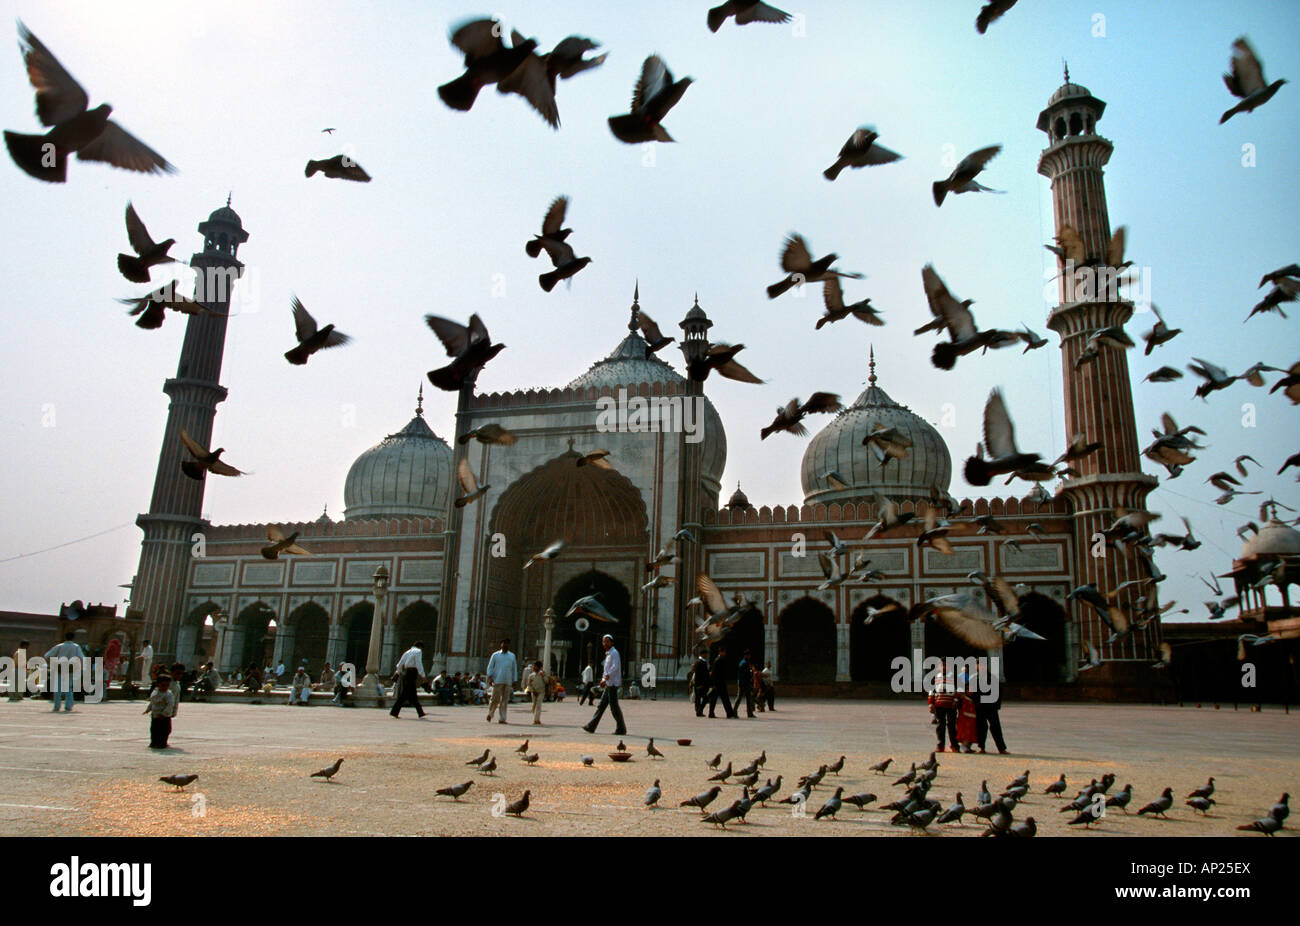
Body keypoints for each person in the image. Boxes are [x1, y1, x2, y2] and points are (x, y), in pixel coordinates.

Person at [582, 634, 626, 736]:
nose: (605, 643)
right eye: (603, 641)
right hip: (608, 683)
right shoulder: (608, 654)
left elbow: (615, 667)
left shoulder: (614, 653)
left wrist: (606, 678)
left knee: (614, 707)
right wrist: (603, 679)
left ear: (612, 642)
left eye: (607, 641)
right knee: (601, 706)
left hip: (613, 684)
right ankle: (591, 726)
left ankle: (621, 728)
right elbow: (606, 670)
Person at [45, 633, 82, 712]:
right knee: (68, 688)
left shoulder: (59, 646)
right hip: (70, 669)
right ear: (73, 638)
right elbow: (82, 657)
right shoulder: (76, 647)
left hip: (59, 668)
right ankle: (68, 706)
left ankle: (56, 706)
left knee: (57, 688)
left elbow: (47, 655)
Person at [390, 640, 428, 718]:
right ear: (420, 647)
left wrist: (397, 673)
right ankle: (394, 711)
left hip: (406, 673)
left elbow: (399, 664)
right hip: (412, 673)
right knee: (405, 694)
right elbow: (419, 664)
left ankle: (420, 712)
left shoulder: (407, 652)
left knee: (412, 694)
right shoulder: (418, 651)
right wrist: (423, 676)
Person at [485, 639, 517, 724]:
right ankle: (490, 714)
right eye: (504, 644)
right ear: (501, 645)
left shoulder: (512, 656)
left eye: (507, 644)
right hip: (497, 680)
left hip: (507, 680)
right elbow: (490, 667)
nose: (505, 645)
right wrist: (490, 677)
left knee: (504, 701)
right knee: (495, 699)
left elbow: (514, 668)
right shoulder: (495, 655)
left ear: (509, 645)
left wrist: (514, 679)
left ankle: (502, 718)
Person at [928, 669, 959, 753]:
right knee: (940, 725)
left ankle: (954, 745)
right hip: (939, 704)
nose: (944, 667)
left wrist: (956, 700)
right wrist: (931, 703)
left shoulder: (954, 677)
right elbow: (931, 691)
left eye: (945, 665)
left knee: (952, 725)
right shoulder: (936, 677)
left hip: (950, 704)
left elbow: (958, 689)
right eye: (942, 665)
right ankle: (940, 745)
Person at [144, 674, 177, 748]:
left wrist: (164, 713)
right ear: (158, 684)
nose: (165, 687)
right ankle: (154, 742)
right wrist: (148, 709)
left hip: (164, 717)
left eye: (167, 685)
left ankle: (162, 743)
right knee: (154, 730)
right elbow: (152, 702)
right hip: (155, 715)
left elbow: (170, 705)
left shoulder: (169, 694)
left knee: (165, 730)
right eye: (163, 685)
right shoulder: (155, 693)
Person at [975, 687, 1008, 755]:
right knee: (982, 727)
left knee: (995, 727)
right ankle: (981, 747)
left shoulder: (992, 678)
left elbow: (998, 691)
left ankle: (1001, 748)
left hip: (990, 706)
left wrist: (997, 705)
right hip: (981, 706)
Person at [708, 646, 736, 719]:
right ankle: (729, 713)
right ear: (720, 652)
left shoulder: (718, 659)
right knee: (724, 698)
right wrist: (714, 683)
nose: (725, 653)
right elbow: (716, 673)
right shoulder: (719, 660)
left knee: (717, 698)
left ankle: (711, 713)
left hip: (718, 682)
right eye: (723, 652)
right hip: (719, 682)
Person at [524, 660, 546, 725]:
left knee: (538, 705)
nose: (534, 667)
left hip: (541, 692)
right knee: (535, 704)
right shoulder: (531, 675)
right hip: (534, 692)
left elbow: (546, 682)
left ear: (539, 667)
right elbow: (529, 684)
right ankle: (536, 718)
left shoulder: (542, 674)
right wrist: (532, 691)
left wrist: (544, 676)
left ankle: (536, 719)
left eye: (535, 666)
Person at [689, 650, 710, 717]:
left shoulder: (702, 662)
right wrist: (699, 684)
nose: (706, 655)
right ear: (702, 654)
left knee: (698, 699)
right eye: (705, 654)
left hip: (699, 683)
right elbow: (698, 674)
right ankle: (699, 711)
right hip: (700, 684)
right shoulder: (699, 662)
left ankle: (698, 711)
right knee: (704, 698)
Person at [736, 649, 756, 718]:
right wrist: (751, 671)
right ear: (746, 655)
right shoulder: (745, 663)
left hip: (743, 682)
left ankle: (749, 712)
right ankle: (736, 711)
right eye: (749, 655)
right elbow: (746, 674)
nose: (749, 656)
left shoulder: (743, 662)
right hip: (744, 683)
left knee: (746, 698)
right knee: (742, 697)